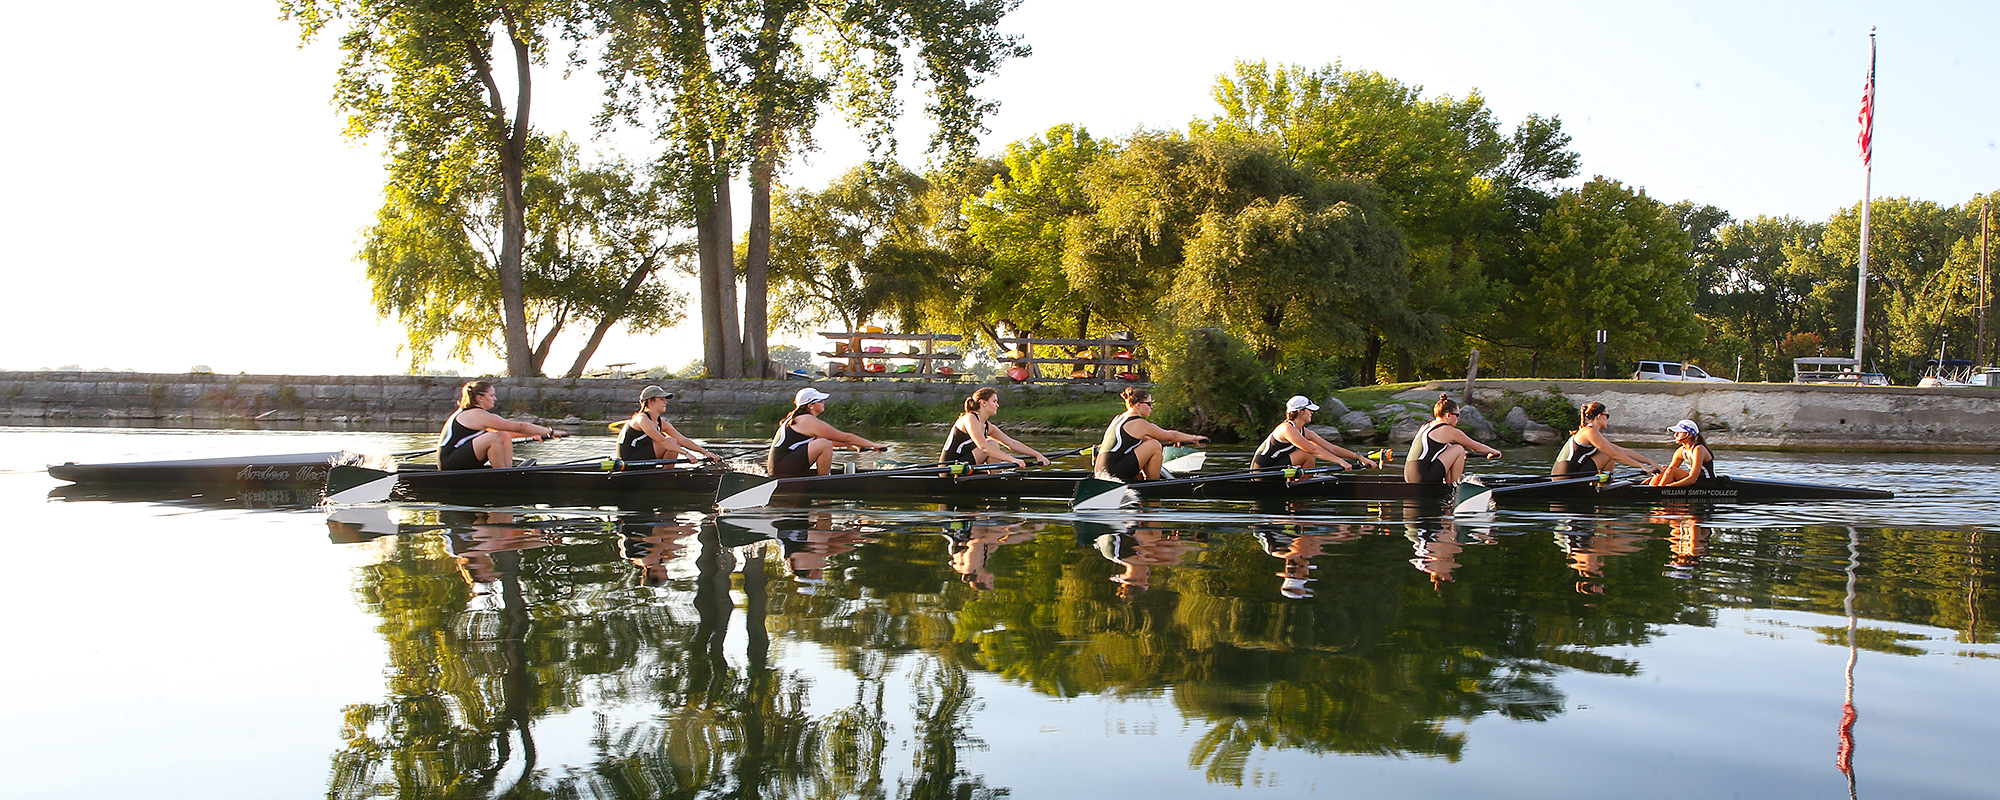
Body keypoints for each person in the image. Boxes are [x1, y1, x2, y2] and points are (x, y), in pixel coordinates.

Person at [436, 380, 568, 470]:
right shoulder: (475, 414)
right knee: (492, 438)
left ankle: (507, 470)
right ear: (480, 398)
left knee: (502, 435)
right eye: (492, 395)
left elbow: (510, 433)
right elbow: (519, 426)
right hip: (449, 463)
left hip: (461, 458)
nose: (495, 399)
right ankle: (502, 475)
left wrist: (534, 434)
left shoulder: (480, 416)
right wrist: (549, 432)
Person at [768, 387, 887, 478]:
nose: (824, 402)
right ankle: (824, 481)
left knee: (824, 443)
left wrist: (854, 445)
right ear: (811, 405)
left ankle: (822, 478)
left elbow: (829, 441)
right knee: (824, 444)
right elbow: (845, 437)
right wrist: (873, 444)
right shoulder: (807, 420)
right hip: (781, 470)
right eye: (820, 400)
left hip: (780, 467)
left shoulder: (800, 418)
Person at [1094, 387, 1207, 482]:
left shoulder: (1118, 418)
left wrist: (1178, 440)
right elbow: (1170, 435)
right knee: (1154, 445)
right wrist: (1194, 438)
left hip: (1100, 473)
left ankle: (1143, 479)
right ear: (1138, 405)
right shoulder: (1139, 423)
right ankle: (1153, 483)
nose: (1151, 407)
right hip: (1113, 474)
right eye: (1149, 404)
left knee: (1149, 441)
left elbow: (1142, 440)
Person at [1249, 395, 1381, 471]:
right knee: (1306, 454)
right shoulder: (1286, 429)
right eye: (1309, 410)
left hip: (1276, 468)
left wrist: (1359, 458)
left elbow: (1331, 448)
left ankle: (1301, 484)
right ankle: (1303, 487)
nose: (1312, 412)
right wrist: (1341, 462)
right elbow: (1312, 449)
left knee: (1307, 454)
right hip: (1261, 472)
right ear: (1300, 411)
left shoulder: (1304, 431)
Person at [1403, 393, 1501, 484]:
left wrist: (1457, 455)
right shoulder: (1448, 430)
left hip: (1408, 476)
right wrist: (1494, 452)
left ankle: (1449, 484)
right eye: (1457, 415)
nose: (1458, 419)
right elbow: (1476, 447)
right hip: (1422, 478)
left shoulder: (1426, 426)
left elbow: (1439, 447)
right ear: (1448, 415)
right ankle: (1455, 488)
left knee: (1455, 450)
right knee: (1458, 449)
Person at [941, 387, 1050, 468]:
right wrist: (1011, 459)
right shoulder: (970, 418)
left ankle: (995, 480)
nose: (997, 405)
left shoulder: (988, 426)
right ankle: (994, 481)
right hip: (949, 469)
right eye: (994, 401)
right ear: (983, 403)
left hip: (965, 465)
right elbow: (983, 447)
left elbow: (1011, 443)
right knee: (990, 445)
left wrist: (1037, 455)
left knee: (993, 443)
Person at [1552, 401, 1661, 477]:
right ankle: (1603, 485)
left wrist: (1650, 462)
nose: (1608, 419)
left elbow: (1623, 451)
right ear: (1599, 416)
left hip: (1568, 473)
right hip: (1566, 476)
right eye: (1607, 415)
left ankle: (1602, 482)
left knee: (1612, 452)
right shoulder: (1589, 432)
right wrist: (1641, 466)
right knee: (1609, 454)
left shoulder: (1593, 433)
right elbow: (1614, 455)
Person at [619, 386, 720, 464]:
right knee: (671, 441)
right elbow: (662, 442)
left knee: (674, 441)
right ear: (650, 401)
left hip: (644, 458)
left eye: (665, 399)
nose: (665, 402)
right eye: (661, 399)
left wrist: (705, 452)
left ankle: (665, 475)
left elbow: (683, 440)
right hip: (628, 461)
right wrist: (686, 454)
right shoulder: (642, 419)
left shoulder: (661, 423)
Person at [1646, 419, 1715, 487]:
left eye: (1679, 432)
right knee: (1663, 469)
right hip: (1696, 481)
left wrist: (1669, 486)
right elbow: (1666, 472)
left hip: (1707, 483)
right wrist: (1647, 481)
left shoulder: (1698, 449)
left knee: (1672, 470)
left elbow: (1692, 479)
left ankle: (1658, 491)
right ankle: (1651, 488)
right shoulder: (1681, 450)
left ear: (1689, 435)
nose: (1675, 435)